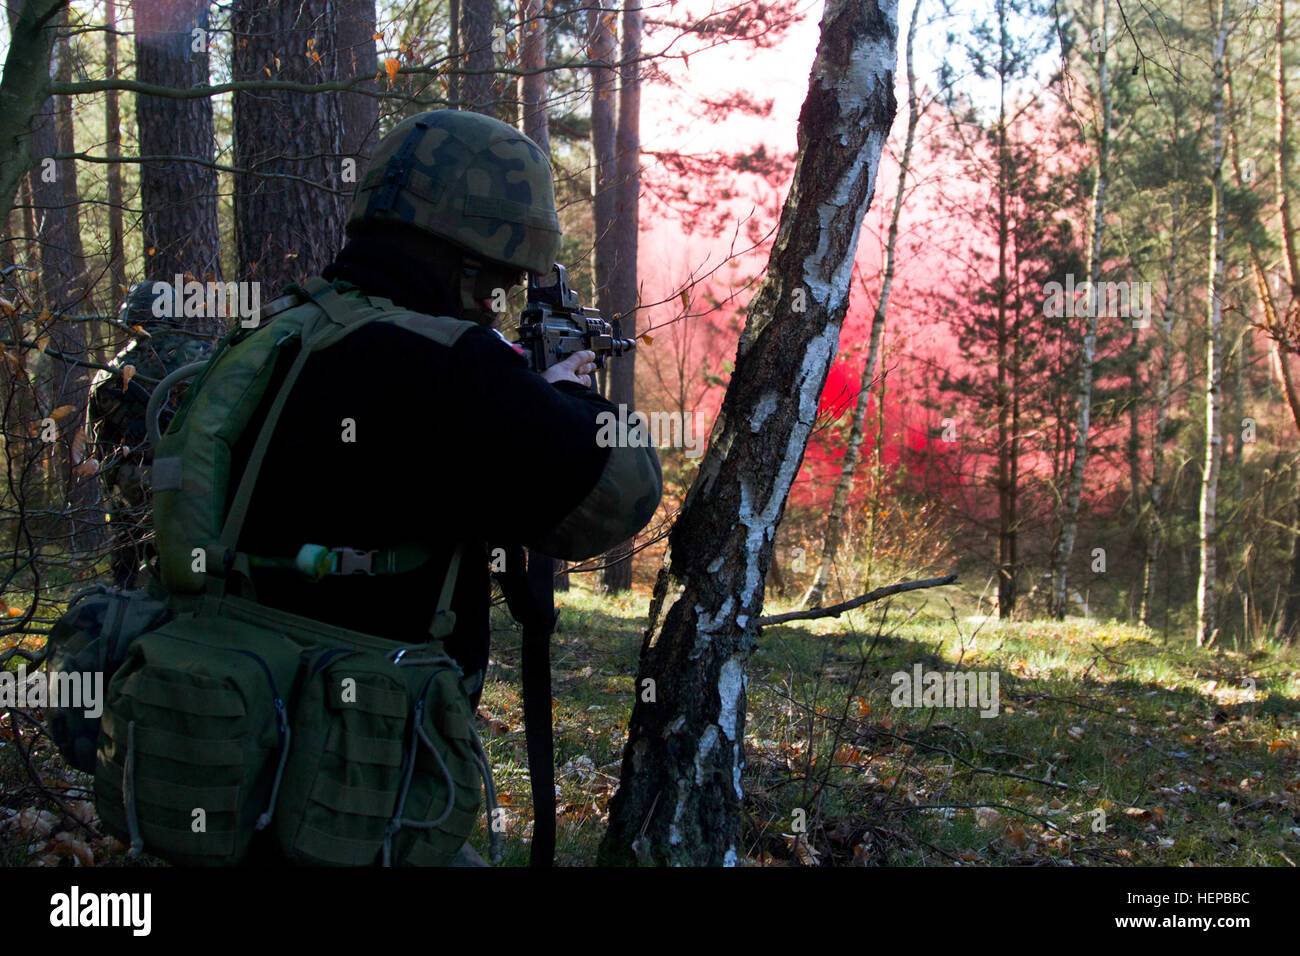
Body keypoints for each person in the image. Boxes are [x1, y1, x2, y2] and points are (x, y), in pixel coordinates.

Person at [232, 110, 663, 862]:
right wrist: (566, 397)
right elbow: (624, 488)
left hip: (231, 740)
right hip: (356, 775)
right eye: (496, 279)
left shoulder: (277, 333)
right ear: (466, 259)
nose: (497, 296)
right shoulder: (449, 366)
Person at [88, 283, 215, 588]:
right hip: (196, 484)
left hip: (135, 494)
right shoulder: (205, 358)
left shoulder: (108, 373)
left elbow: (100, 454)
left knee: (129, 579)